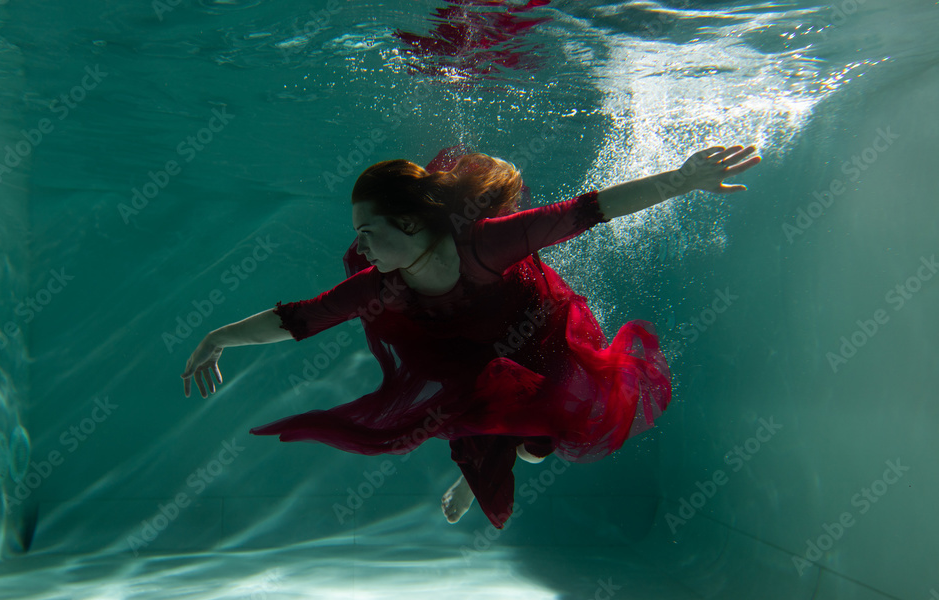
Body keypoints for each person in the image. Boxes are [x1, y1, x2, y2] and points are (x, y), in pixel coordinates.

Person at [182, 143, 761, 529]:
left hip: (537, 337)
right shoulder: (377, 284)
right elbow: (299, 319)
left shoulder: (484, 243)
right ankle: (478, 465)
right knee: (465, 413)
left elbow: (591, 210)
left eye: (368, 231)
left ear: (409, 224)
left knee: (548, 435)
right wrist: (218, 337)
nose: (359, 246)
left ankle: (509, 451)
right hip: (459, 350)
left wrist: (683, 180)